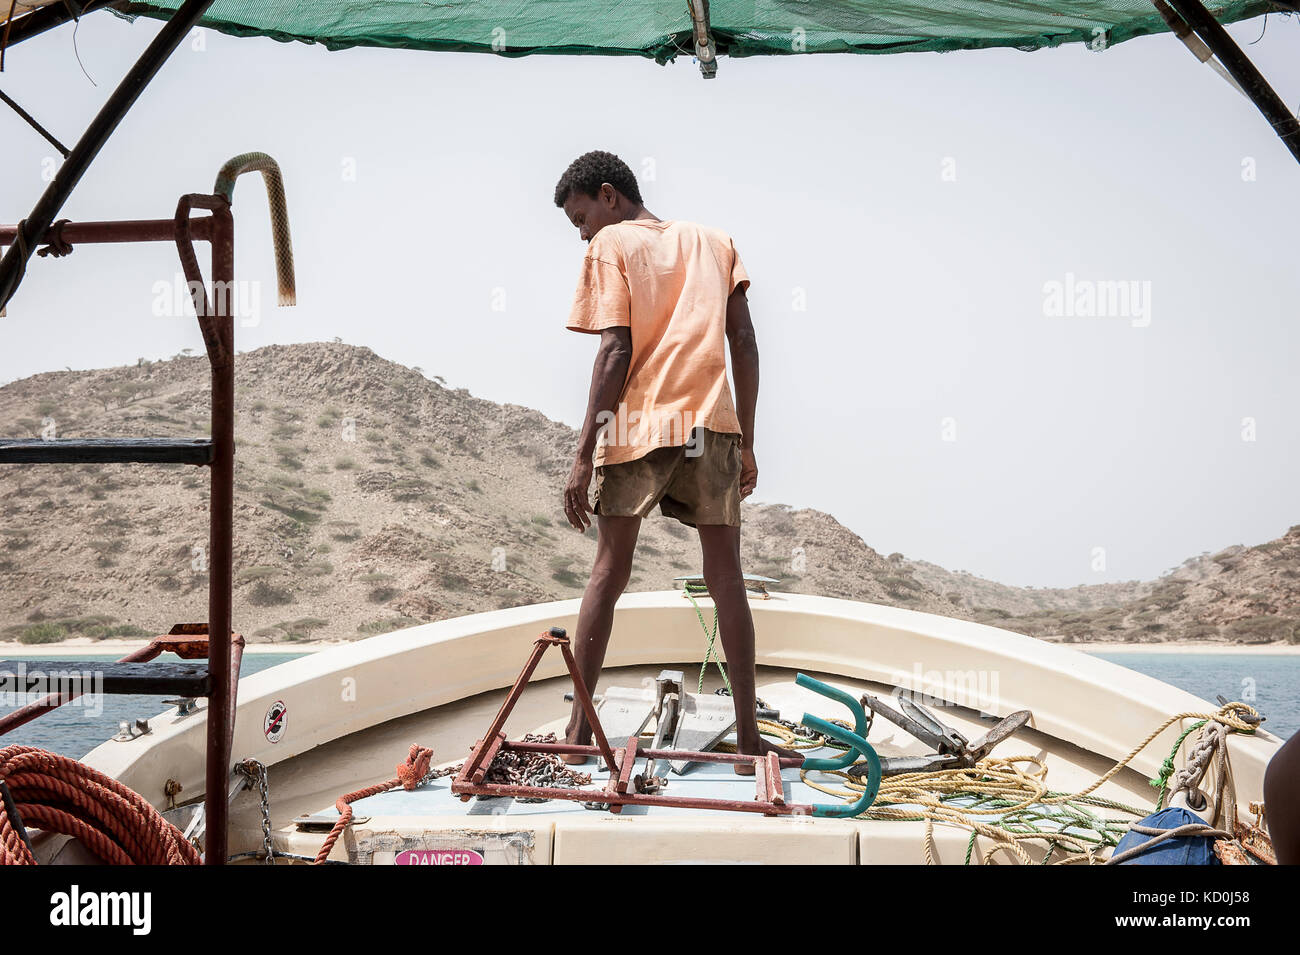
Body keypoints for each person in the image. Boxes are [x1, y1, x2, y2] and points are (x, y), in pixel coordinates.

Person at [553, 149, 797, 773]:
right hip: (711, 425)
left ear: (609, 196)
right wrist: (745, 437)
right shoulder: (715, 242)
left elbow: (615, 349)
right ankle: (748, 740)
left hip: (639, 423)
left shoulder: (612, 246)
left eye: (581, 217)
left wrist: (582, 455)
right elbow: (743, 338)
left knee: (609, 571)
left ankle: (580, 732)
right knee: (727, 580)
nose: (581, 233)